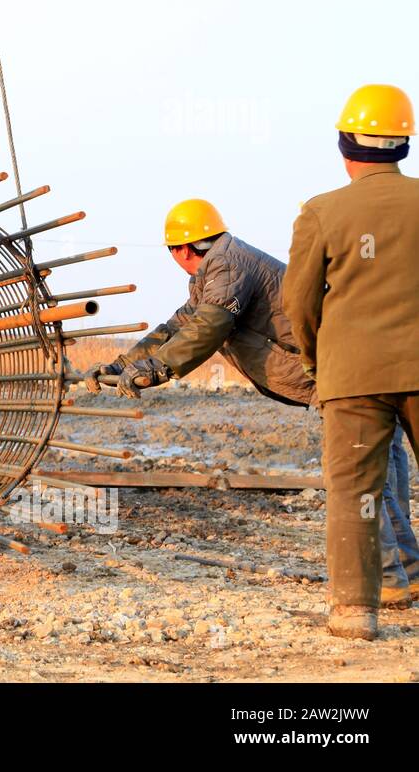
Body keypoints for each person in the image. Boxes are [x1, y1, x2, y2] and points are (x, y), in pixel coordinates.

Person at [82, 196, 418, 615]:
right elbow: (177, 326)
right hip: (350, 370)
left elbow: (210, 326)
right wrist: (123, 363)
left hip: (346, 375)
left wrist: (159, 370)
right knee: (383, 470)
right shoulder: (220, 268)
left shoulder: (228, 266)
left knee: (364, 477)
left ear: (181, 250)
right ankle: (404, 571)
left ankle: (388, 581)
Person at [285, 83, 419, 640]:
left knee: (354, 494)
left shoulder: (321, 213)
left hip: (352, 377)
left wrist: (323, 362)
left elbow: (299, 302)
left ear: (345, 145)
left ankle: (355, 612)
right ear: (404, 145)